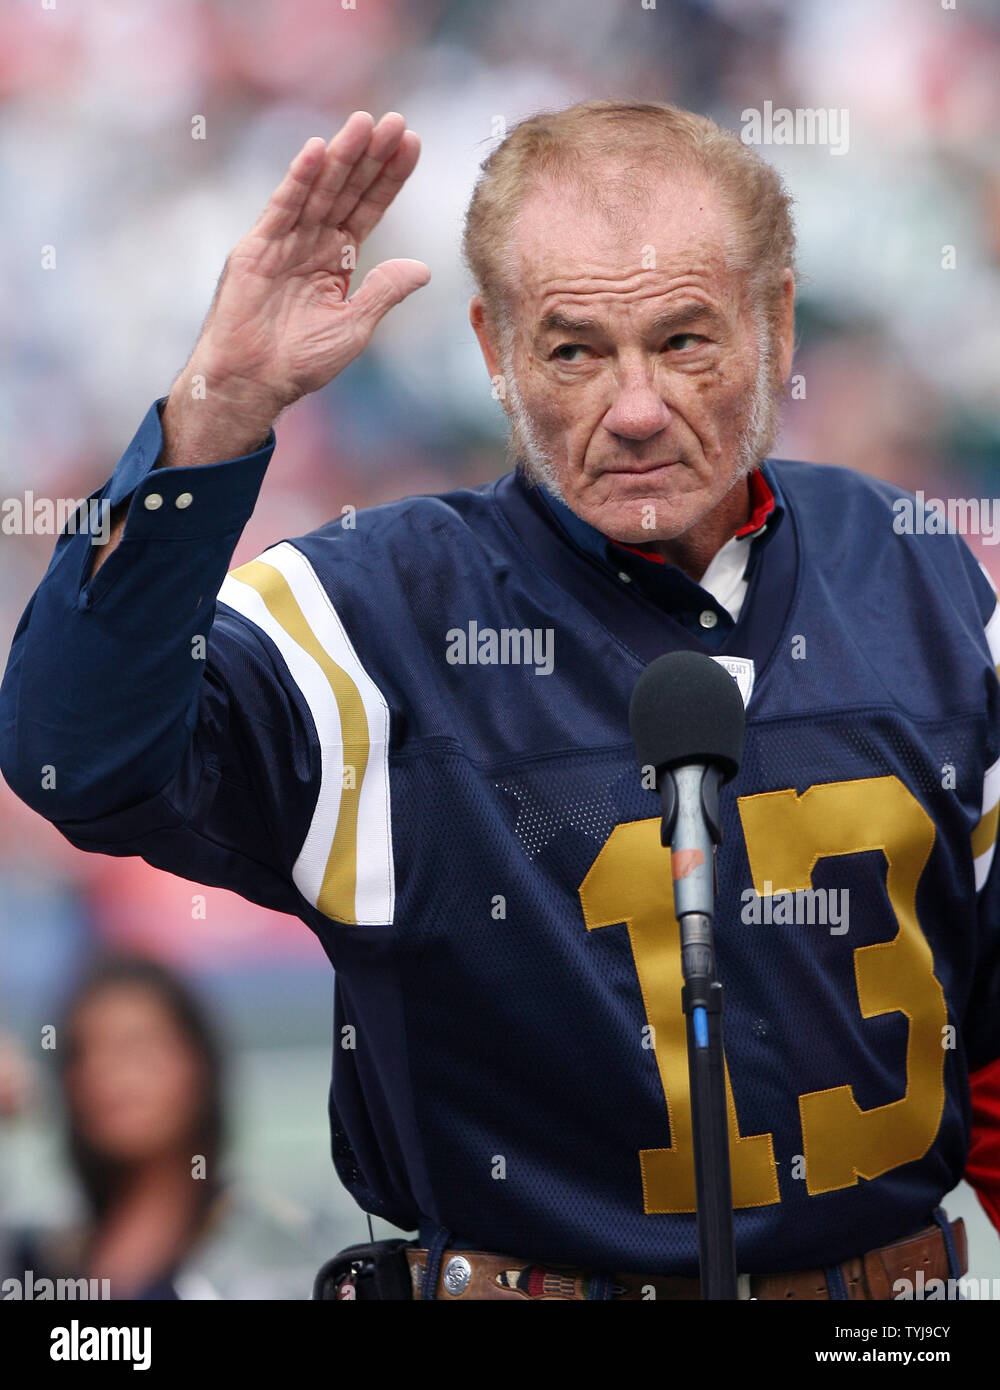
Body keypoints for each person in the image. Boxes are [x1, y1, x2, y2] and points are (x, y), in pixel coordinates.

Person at [1, 100, 998, 1301]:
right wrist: (214, 413)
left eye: (684, 340)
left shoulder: (914, 566)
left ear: (777, 322)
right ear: (493, 347)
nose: (632, 408)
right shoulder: (373, 611)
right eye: (573, 349)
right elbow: (74, 755)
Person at [4, 956, 332, 1299]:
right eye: (85, 1052)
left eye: (136, 1045)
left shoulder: (260, 1243)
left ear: (197, 1063)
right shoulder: (48, 1255)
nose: (107, 1074)